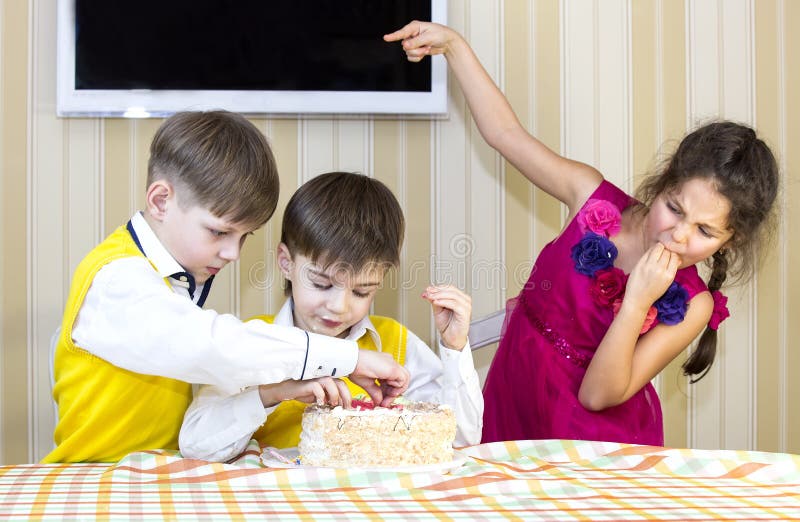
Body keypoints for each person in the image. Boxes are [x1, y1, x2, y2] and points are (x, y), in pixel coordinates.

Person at [385, 23, 779, 445]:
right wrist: (454, 47)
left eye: (704, 230)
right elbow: (505, 135)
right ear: (663, 183)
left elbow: (597, 396)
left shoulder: (693, 305)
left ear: (729, 240)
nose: (678, 235)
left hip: (591, 441)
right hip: (513, 394)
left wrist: (638, 301)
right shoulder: (592, 197)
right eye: (674, 208)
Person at [45, 112, 409, 463]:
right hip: (99, 477)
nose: (233, 253)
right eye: (219, 232)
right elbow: (213, 346)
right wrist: (349, 357)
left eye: (243, 236)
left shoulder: (167, 276)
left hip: (157, 476)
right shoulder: (117, 279)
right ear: (161, 201)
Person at [179, 171, 483, 462]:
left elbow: (460, 440)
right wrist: (270, 394)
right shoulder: (252, 341)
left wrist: (455, 348)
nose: (339, 306)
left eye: (362, 291)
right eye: (321, 284)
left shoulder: (396, 344)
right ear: (286, 262)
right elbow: (196, 445)